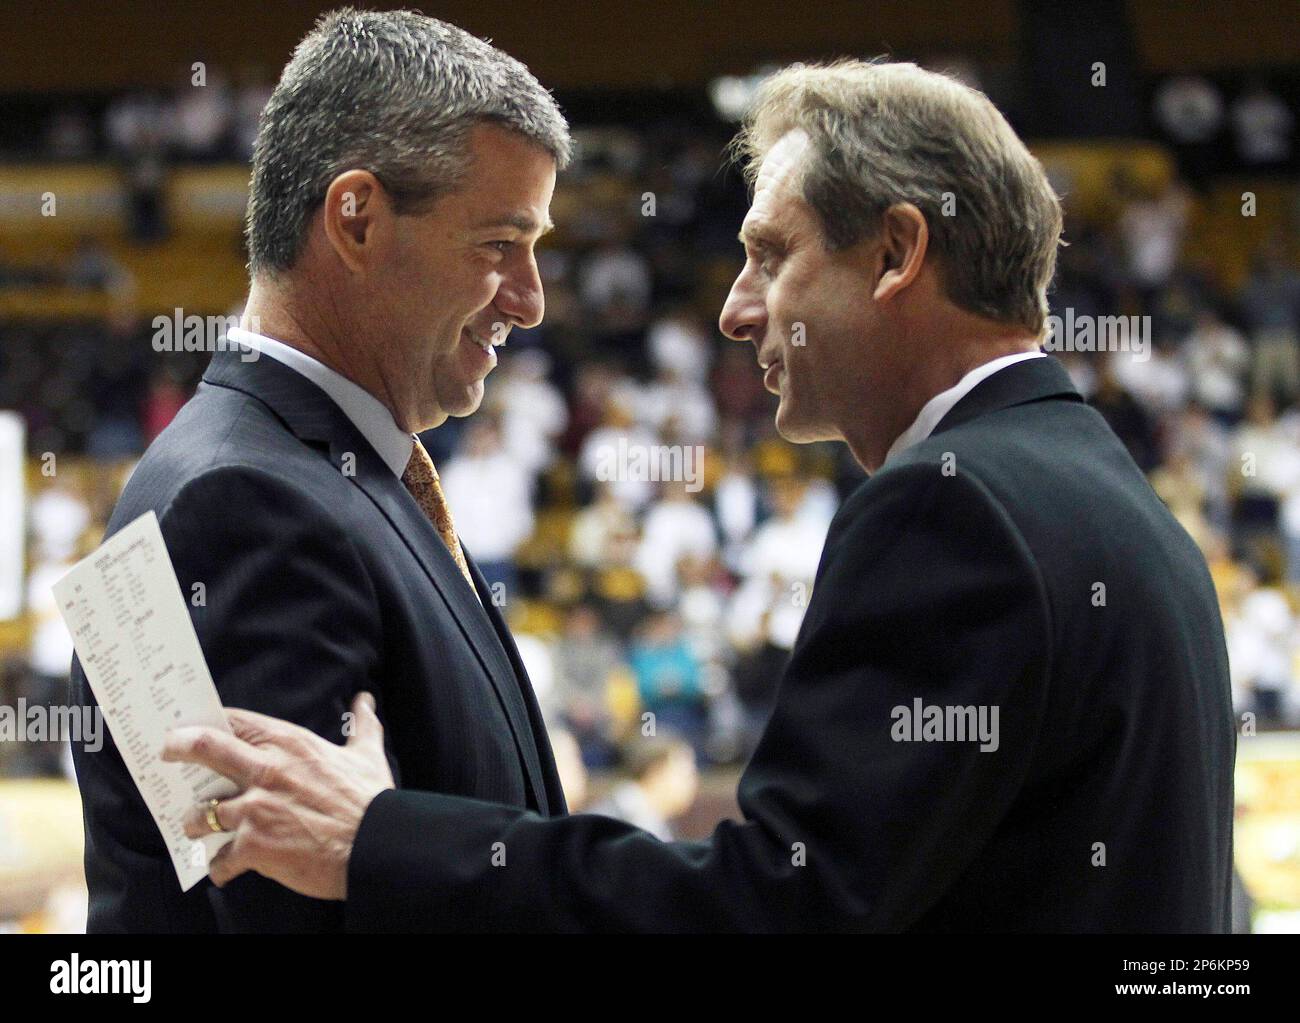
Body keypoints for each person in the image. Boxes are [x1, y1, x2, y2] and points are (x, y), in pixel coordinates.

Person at [166, 59, 1236, 932]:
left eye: (770, 256)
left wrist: (377, 841)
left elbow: (772, 911)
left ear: (896, 253)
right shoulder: (1110, 497)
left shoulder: (956, 508)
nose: (735, 310)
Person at [72, 8, 571, 932]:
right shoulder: (245, 504)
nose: (531, 300)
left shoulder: (297, 473)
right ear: (356, 218)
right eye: (500, 244)